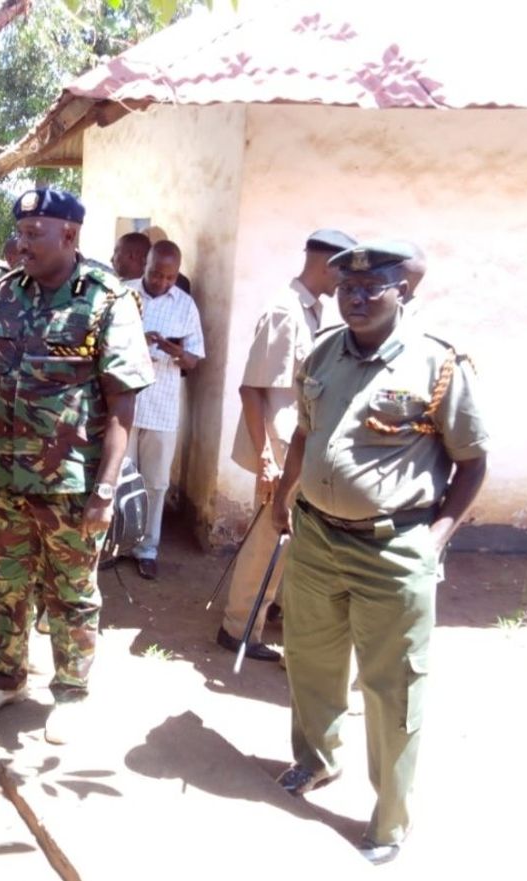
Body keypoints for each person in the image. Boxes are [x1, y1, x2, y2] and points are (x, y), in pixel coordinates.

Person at [270, 241, 487, 865]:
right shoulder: (321, 351)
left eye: (373, 288)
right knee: (309, 660)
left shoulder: (439, 364)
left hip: (394, 550)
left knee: (394, 687)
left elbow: (472, 464)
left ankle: (390, 816)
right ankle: (315, 760)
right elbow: (306, 433)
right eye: (347, 288)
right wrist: (285, 496)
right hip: (315, 537)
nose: (357, 298)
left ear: (404, 292)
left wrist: (435, 540)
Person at [0, 187, 154, 744]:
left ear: (69, 233)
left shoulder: (106, 300)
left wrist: (106, 489)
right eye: (18, 232)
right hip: (3, 480)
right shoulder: (4, 296)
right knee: (5, 584)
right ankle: (7, 677)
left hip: (71, 484)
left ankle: (70, 691)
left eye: (33, 232)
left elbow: (122, 401)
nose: (21, 243)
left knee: (71, 592)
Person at [217, 228, 355, 661]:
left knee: (284, 537)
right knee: (267, 538)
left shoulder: (308, 310)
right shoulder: (284, 311)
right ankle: (238, 629)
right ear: (326, 264)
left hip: (294, 442)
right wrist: (265, 455)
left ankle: (264, 610)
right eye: (344, 273)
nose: (346, 285)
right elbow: (251, 390)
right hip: (277, 445)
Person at [123, 240, 204, 580]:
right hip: (123, 403)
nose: (162, 282)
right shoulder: (123, 294)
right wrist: (140, 341)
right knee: (119, 478)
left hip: (161, 406)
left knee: (155, 483)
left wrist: (172, 349)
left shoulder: (185, 306)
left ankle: (147, 548)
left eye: (170, 277)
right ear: (145, 265)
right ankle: (117, 543)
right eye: (157, 274)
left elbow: (194, 359)